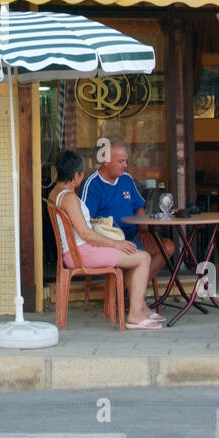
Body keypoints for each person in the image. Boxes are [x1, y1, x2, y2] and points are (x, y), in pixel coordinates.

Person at [51, 149, 164, 328]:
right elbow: (85, 234)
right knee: (143, 257)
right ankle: (135, 314)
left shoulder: (56, 193)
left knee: (134, 252)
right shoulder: (70, 198)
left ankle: (140, 306)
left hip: (74, 251)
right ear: (76, 174)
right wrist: (116, 243)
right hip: (82, 253)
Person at [79, 140, 176, 277]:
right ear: (105, 161)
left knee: (167, 247)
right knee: (140, 257)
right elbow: (86, 221)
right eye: (121, 161)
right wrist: (111, 241)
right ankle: (127, 289)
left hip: (133, 237)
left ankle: (127, 286)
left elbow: (139, 208)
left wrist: (143, 230)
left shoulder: (126, 179)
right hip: (110, 242)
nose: (125, 166)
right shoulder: (92, 184)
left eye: (126, 161)